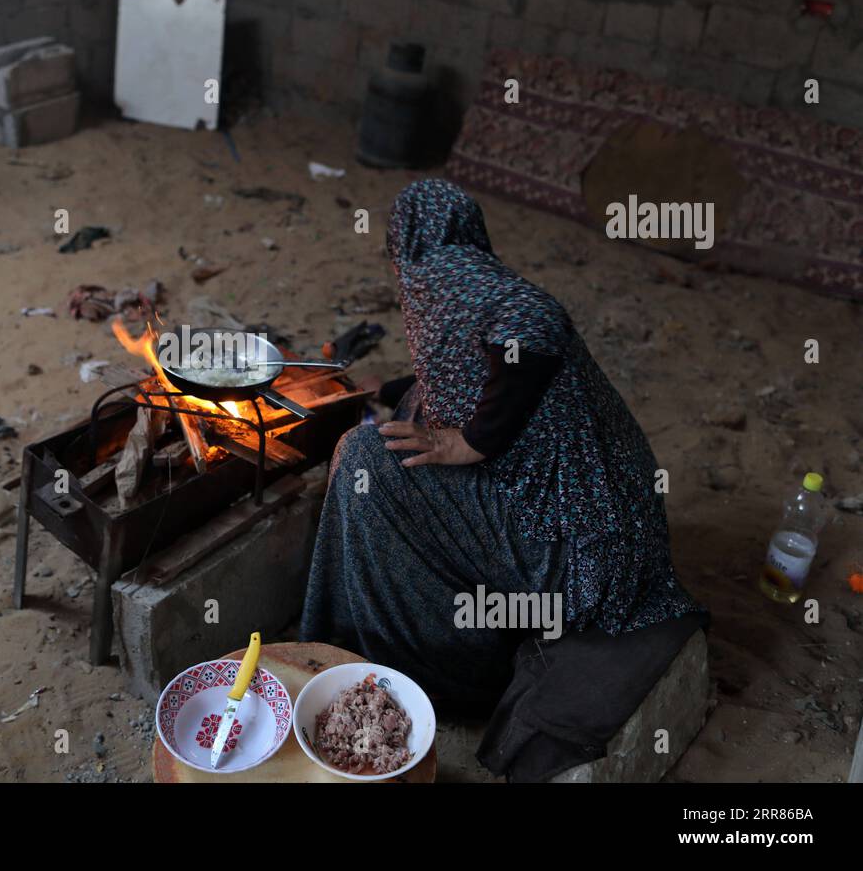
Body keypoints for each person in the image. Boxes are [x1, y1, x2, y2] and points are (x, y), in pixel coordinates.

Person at [300, 179, 705, 715]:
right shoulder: (472, 281)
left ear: (403, 246)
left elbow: (537, 324)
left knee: (364, 457)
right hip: (615, 538)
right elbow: (475, 371)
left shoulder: (452, 285)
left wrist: (472, 441)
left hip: (581, 569)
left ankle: (443, 669)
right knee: (412, 408)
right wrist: (394, 390)